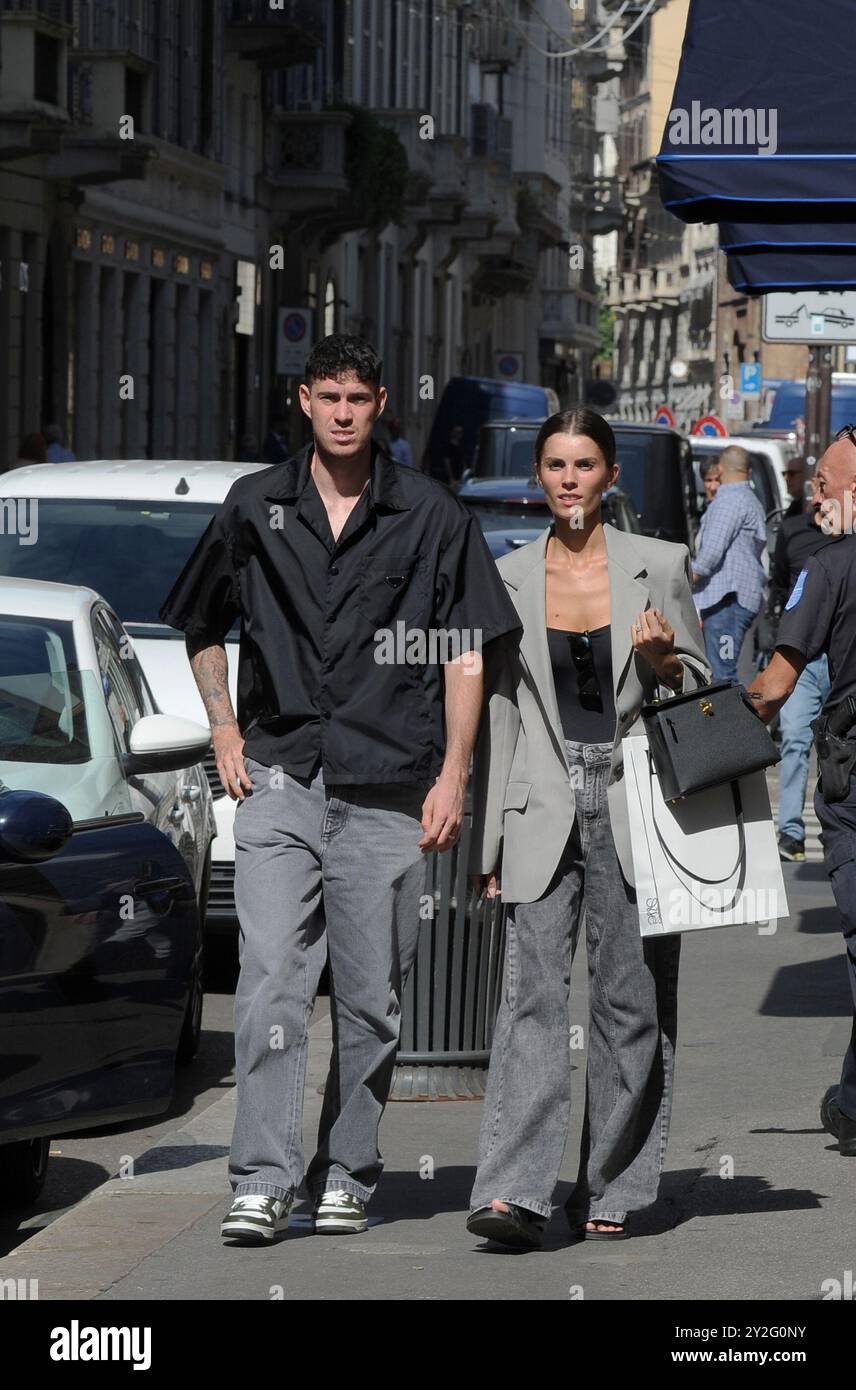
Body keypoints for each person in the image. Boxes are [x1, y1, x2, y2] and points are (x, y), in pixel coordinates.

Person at [158, 334, 521, 1244]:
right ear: (305, 402)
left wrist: (455, 775)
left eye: (360, 397)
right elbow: (200, 621)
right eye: (330, 397)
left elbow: (466, 647)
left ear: (383, 402)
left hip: (391, 785)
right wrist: (225, 728)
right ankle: (262, 1177)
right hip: (280, 774)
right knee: (272, 980)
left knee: (369, 1000)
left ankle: (349, 1168)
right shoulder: (255, 507)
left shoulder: (430, 514)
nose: (345, 412)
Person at [465, 407, 711, 1249]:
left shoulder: (661, 565)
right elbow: (499, 711)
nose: (569, 481)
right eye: (555, 467)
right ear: (541, 479)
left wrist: (663, 665)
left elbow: (704, 691)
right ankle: (516, 1192)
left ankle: (614, 1181)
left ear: (610, 477)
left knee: (628, 1000)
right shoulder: (507, 577)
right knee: (530, 998)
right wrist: (487, 840)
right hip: (542, 796)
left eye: (585, 466)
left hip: (635, 793)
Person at [748, 424, 856, 1159]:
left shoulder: (831, 568)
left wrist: (685, 710)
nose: (814, 493)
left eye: (826, 480)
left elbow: (772, 686)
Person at [766, 476, 832, 861]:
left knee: (838, 748)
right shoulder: (792, 530)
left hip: (843, 657)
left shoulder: (850, 534)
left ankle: (836, 826)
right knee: (794, 739)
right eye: (817, 484)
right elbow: (777, 585)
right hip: (800, 657)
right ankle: (790, 830)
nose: (818, 494)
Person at [692, 444, 767, 684]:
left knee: (722, 675)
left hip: (727, 601)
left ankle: (733, 722)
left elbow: (709, 557)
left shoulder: (729, 501)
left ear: (721, 469)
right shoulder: (748, 499)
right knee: (726, 672)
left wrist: (681, 579)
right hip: (736, 600)